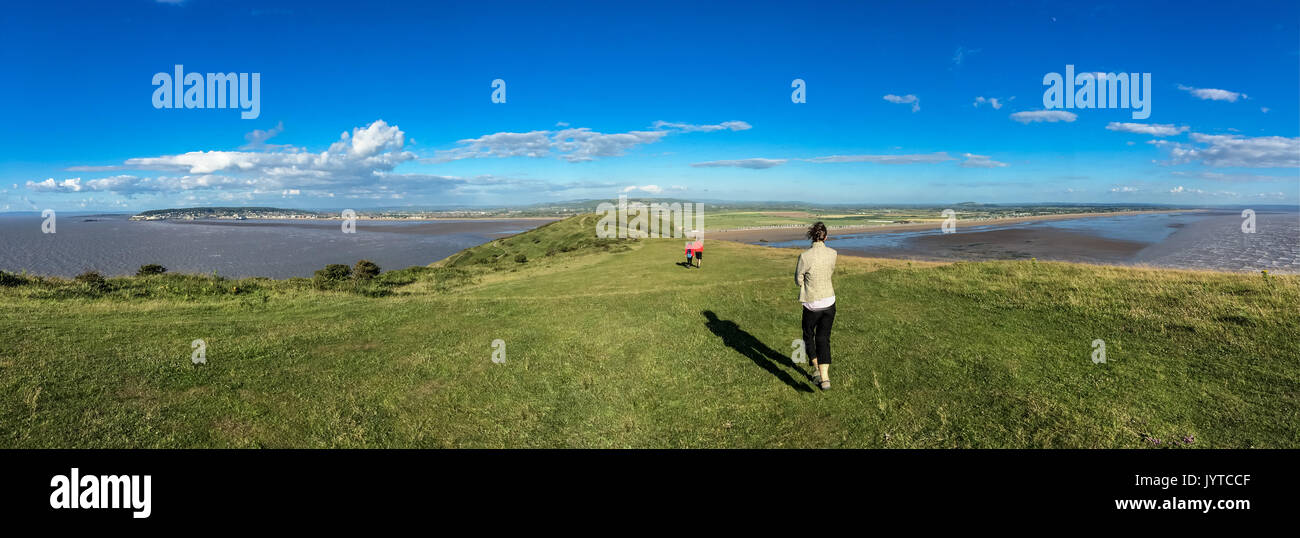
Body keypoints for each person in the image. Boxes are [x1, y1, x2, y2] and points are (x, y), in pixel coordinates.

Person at [795, 222, 836, 390]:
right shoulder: (833, 253)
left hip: (812, 303)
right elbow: (830, 271)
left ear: (812, 237)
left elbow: (798, 278)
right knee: (823, 338)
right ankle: (824, 378)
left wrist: (805, 285)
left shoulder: (805, 256)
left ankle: (816, 368)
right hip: (829, 301)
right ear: (825, 237)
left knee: (808, 335)